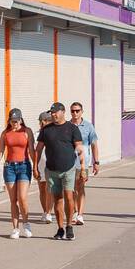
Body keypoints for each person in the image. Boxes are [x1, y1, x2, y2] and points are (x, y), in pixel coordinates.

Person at [34, 102, 85, 241]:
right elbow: (38, 149)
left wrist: (83, 167)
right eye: (52, 112)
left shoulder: (72, 128)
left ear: (63, 112)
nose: (53, 115)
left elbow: (80, 149)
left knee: (69, 197)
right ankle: (60, 228)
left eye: (55, 112)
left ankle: (69, 226)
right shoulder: (47, 130)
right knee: (57, 200)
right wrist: (35, 167)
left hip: (68, 169)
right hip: (51, 170)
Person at [0, 108, 34, 239]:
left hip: (24, 166)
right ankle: (15, 228)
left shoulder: (27, 131)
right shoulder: (5, 133)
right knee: (13, 200)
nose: (14, 123)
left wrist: (35, 166)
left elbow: (31, 149)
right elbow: (0, 151)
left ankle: (26, 223)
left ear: (21, 119)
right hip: (9, 167)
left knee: (22, 198)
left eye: (16, 121)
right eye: (12, 121)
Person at [68, 102, 99, 226]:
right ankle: (75, 211)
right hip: (69, 163)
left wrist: (96, 162)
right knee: (72, 189)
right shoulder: (67, 126)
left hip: (83, 163)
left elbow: (94, 144)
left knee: (80, 187)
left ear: (82, 111)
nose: (75, 113)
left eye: (77, 110)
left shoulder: (88, 126)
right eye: (73, 111)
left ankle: (80, 214)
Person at [34, 111, 54, 223]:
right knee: (42, 189)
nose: (43, 122)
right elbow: (33, 151)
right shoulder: (36, 134)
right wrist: (34, 166)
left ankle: (49, 212)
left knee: (49, 189)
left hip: (51, 165)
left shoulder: (53, 132)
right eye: (41, 121)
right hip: (40, 165)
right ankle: (45, 211)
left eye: (46, 120)